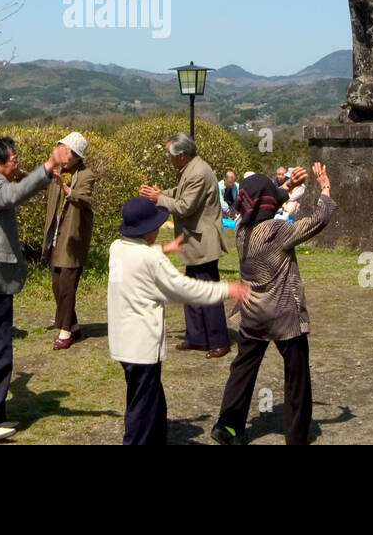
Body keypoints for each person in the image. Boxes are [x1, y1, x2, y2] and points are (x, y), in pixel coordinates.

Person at [108, 197, 251, 445]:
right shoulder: (151, 261)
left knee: (148, 399)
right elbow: (185, 289)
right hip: (142, 347)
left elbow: (139, 255)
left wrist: (164, 249)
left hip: (122, 344)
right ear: (147, 230)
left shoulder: (116, 248)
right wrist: (226, 289)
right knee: (141, 410)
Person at [211, 163, 334, 445]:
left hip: (252, 313)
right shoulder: (277, 231)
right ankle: (296, 436)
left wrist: (287, 186)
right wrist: (324, 188)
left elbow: (263, 200)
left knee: (243, 368)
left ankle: (227, 427)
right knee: (297, 375)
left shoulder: (242, 228)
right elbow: (319, 219)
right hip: (283, 315)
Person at [0, 135, 72, 442]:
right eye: (14, 160)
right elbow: (15, 194)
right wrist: (49, 164)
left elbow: (17, 185)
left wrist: (23, 383)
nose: (17, 164)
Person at [139, 133, 231, 358]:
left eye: (169, 155)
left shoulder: (198, 172)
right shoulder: (190, 170)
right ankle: (197, 336)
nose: (167, 159)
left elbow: (184, 206)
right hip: (193, 240)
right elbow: (180, 193)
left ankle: (219, 340)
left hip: (203, 240)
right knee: (191, 289)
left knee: (207, 289)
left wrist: (158, 198)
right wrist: (158, 194)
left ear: (181, 155)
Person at [41, 132, 96, 349]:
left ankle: (65, 332)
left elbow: (85, 198)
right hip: (56, 235)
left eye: (68, 152)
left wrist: (67, 190)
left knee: (67, 284)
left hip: (74, 239)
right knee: (57, 285)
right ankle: (72, 325)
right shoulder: (57, 171)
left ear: (77, 156)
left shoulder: (86, 175)